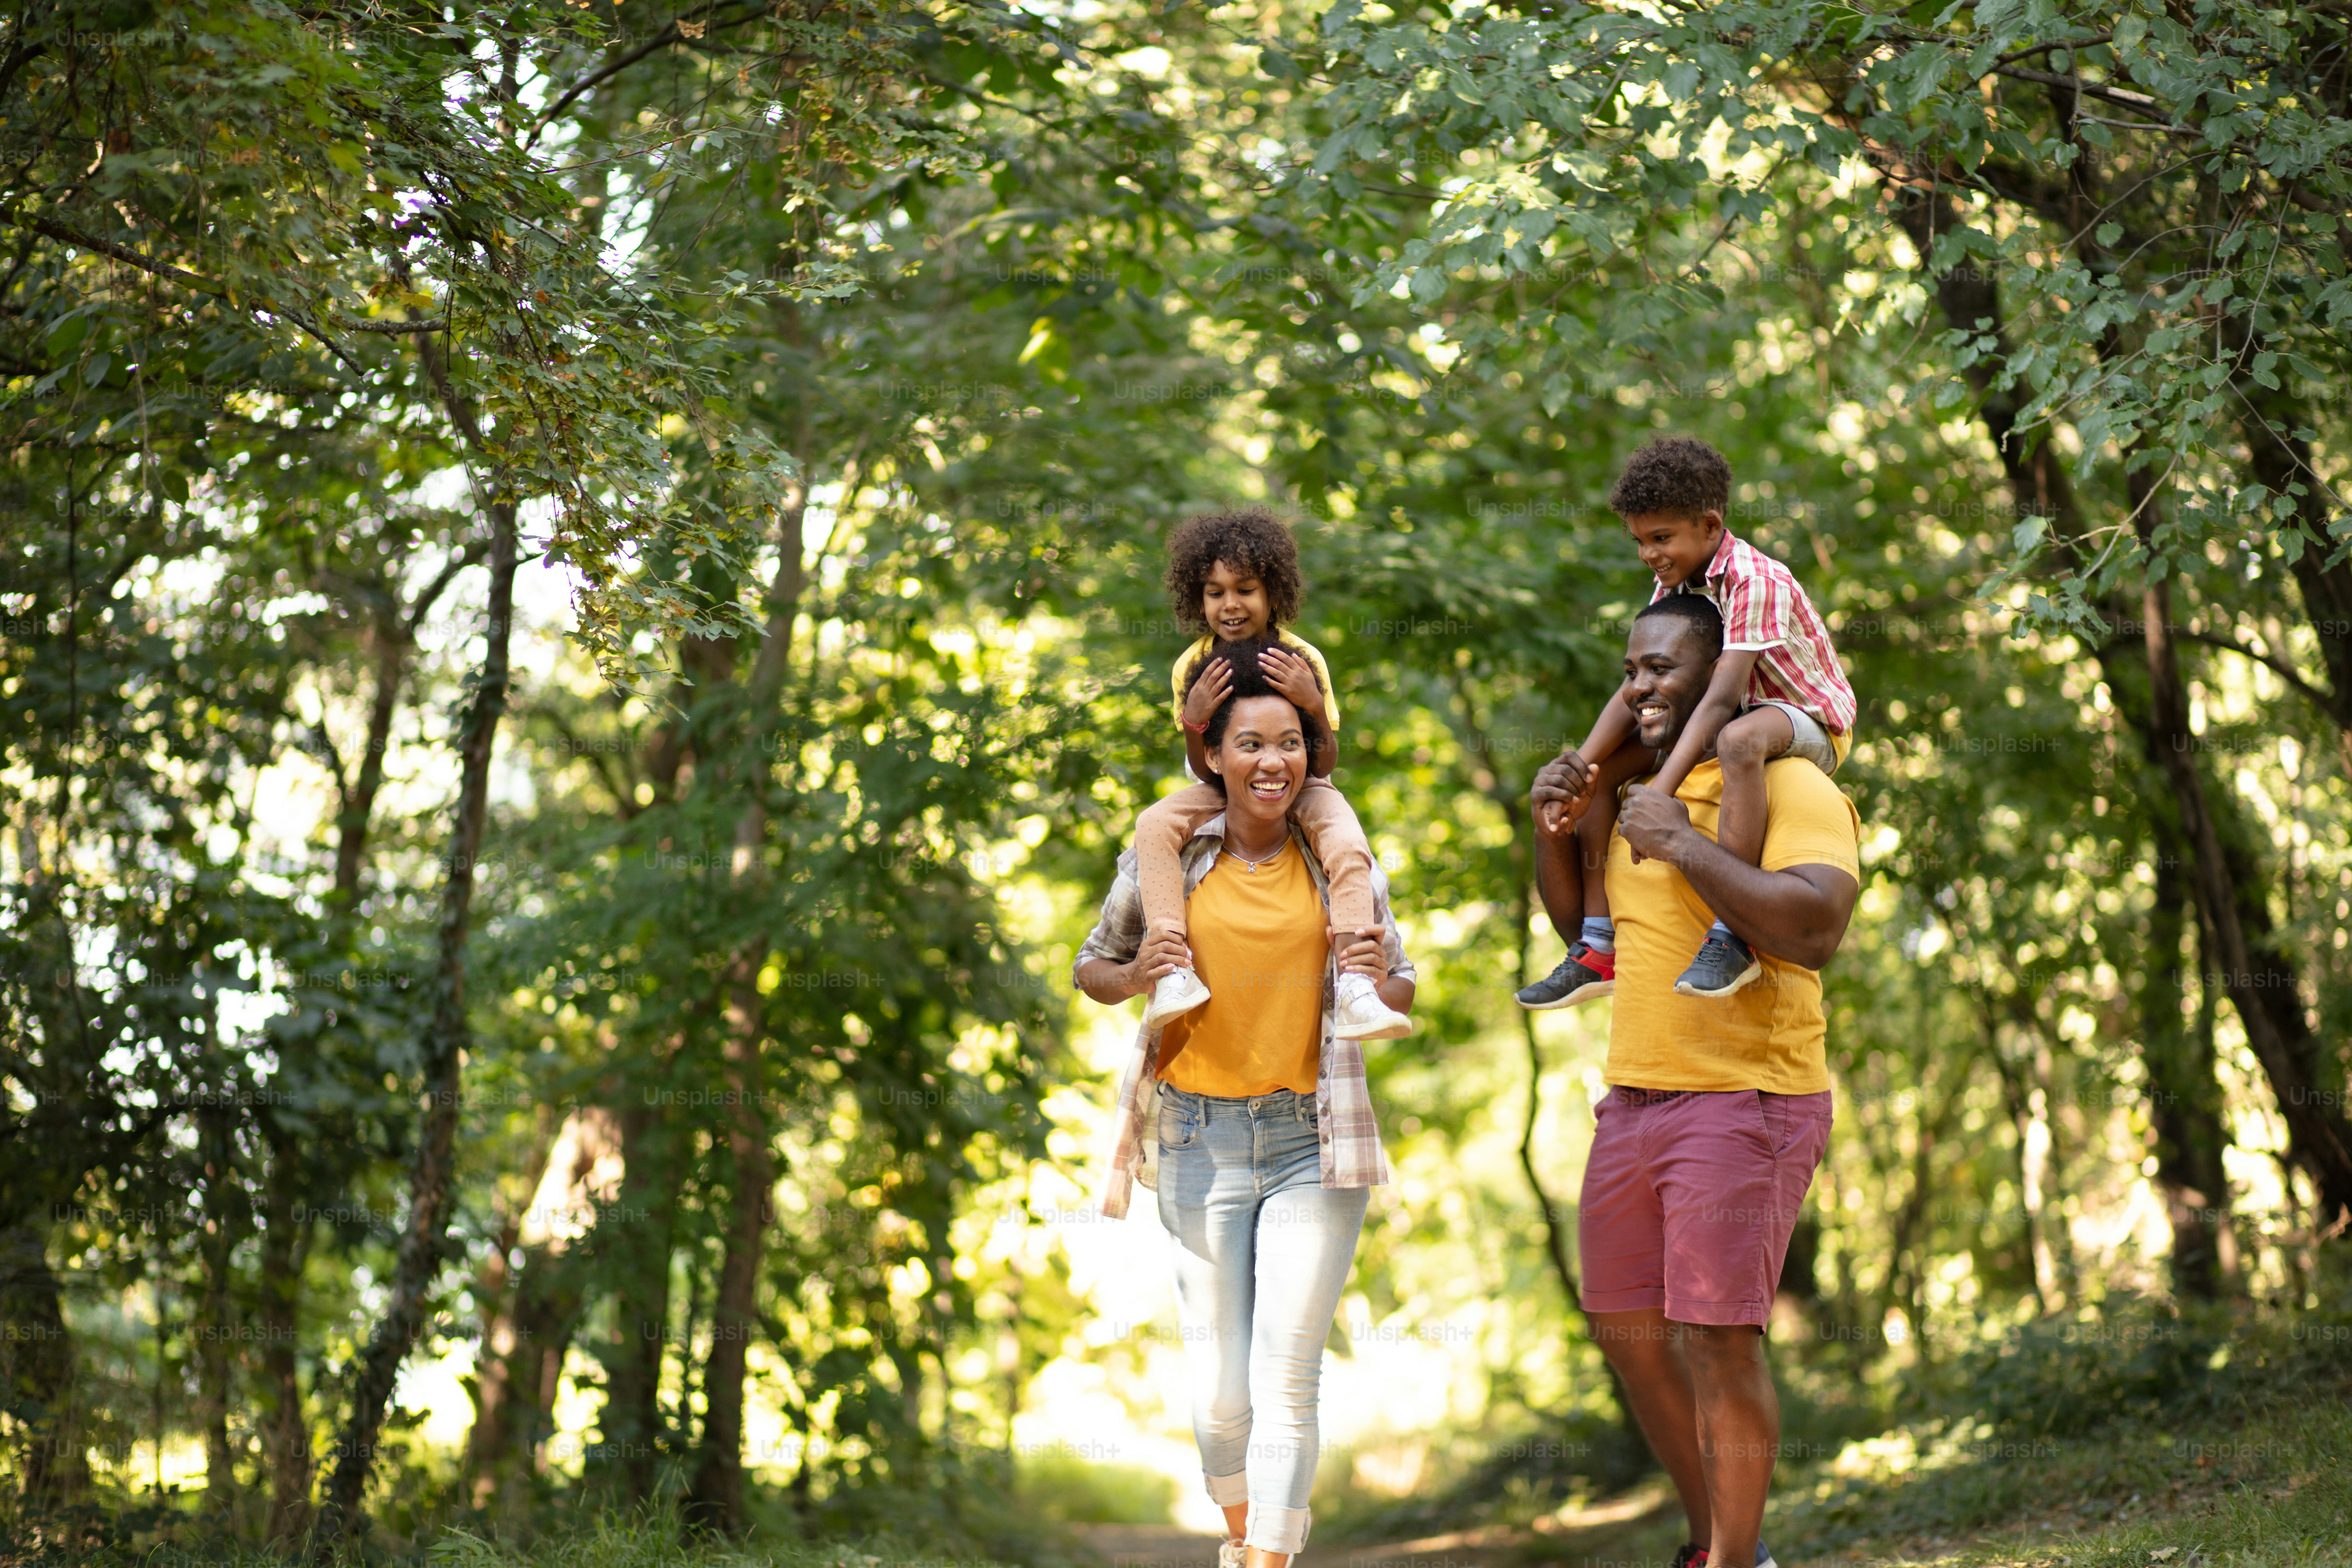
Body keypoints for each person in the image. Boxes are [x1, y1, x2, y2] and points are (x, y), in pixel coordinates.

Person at [1529, 592, 1861, 1568]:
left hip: (1745, 1098)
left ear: (1727, 677)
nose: (1640, 688)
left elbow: (1813, 927)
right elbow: (1580, 934)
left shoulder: (1793, 787)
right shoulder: (1637, 781)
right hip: (1633, 1098)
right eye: (1633, 669)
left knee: (1720, 1338)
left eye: (1663, 669)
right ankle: (1725, 1543)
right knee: (1627, 1327)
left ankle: (1729, 1557)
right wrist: (1554, 820)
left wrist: (1684, 841)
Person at [1076, 637, 1417, 1568]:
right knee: (1224, 1387)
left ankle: (1269, 1556)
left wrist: (1374, 979)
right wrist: (1139, 970)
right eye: (1253, 744)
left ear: (1311, 753)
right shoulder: (1173, 856)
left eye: (1292, 743)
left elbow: (1404, 983)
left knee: (1288, 1369)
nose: (1275, 761)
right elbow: (1092, 967)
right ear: (1214, 757)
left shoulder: (1339, 855)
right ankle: (1242, 1535)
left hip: (1314, 1136)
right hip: (1198, 1137)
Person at [1518, 437, 1856, 1008]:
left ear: (1709, 524)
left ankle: (1731, 936)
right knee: (1604, 778)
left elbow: (1723, 697)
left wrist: (1662, 796)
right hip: (1728, 718)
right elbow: (1631, 691)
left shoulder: (1755, 579)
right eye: (1640, 541)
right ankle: (1599, 945)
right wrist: (1583, 767)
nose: (1649, 554)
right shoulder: (1676, 579)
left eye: (1660, 538)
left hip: (1806, 720)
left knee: (1738, 741)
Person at [1133, 507, 1409, 1041]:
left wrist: (1311, 701)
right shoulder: (1193, 665)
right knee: (1152, 826)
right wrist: (1194, 717)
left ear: (1272, 592)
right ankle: (1173, 971)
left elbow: (1324, 762)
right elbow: (1199, 765)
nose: (1230, 605)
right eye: (1215, 592)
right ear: (1198, 598)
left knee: (1348, 845)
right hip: (1220, 788)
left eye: (1245, 589)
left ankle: (1354, 980)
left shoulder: (1303, 658)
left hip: (1304, 783)